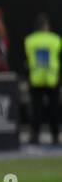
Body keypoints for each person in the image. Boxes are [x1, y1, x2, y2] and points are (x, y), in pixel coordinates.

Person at [24, 13, 61, 144]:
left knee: (36, 110)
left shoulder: (30, 40)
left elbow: (28, 58)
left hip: (36, 78)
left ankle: (35, 135)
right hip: (52, 78)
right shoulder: (55, 39)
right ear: (47, 26)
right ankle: (55, 135)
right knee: (54, 109)